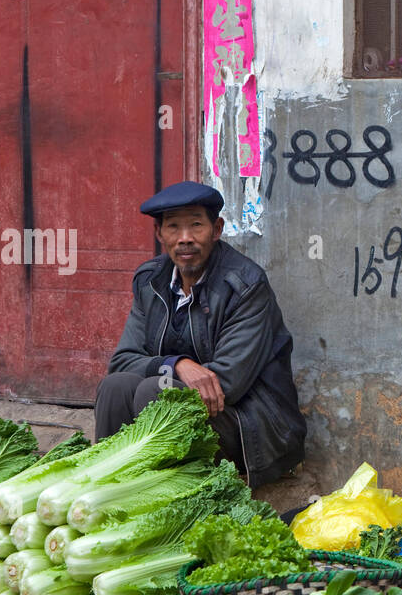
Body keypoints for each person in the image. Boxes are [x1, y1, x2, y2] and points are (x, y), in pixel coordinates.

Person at [96, 181, 306, 487]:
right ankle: (106, 485)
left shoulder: (246, 286)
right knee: (116, 387)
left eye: (196, 225)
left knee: (155, 391)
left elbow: (227, 385)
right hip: (190, 411)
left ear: (217, 229)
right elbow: (123, 360)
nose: (185, 239)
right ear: (159, 234)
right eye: (173, 228)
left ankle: (160, 494)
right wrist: (176, 363)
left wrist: (165, 374)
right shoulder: (149, 281)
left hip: (251, 427)